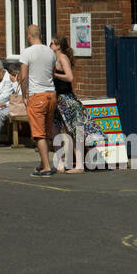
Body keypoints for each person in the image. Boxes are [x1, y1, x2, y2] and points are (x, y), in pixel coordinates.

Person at [50, 38, 102, 173]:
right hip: (58, 99)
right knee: (55, 128)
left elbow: (70, 77)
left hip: (66, 99)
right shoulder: (55, 58)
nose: (49, 45)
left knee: (75, 130)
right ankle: (60, 163)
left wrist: (54, 74)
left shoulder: (62, 58)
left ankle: (79, 165)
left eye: (52, 43)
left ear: (58, 46)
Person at [19, 25, 59, 176]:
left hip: (37, 95)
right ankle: (43, 163)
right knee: (46, 132)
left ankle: (47, 167)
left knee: (38, 133)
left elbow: (23, 76)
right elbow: (53, 73)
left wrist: (24, 95)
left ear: (29, 36)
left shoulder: (27, 52)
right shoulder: (50, 52)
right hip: (51, 95)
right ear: (40, 35)